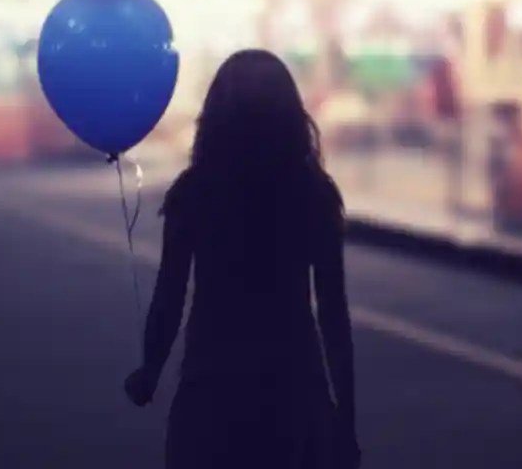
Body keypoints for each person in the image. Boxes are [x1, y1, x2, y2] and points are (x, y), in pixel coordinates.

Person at [124, 49, 362, 468]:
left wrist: (150, 370)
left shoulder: (195, 193)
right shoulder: (312, 195)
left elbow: (169, 296)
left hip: (212, 388)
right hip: (292, 389)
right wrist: (346, 418)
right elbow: (332, 314)